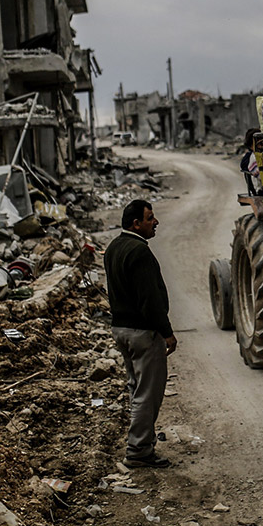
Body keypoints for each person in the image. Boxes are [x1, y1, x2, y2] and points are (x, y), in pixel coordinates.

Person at [105, 199, 177, 468]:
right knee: (148, 393)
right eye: (150, 218)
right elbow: (150, 300)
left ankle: (139, 444)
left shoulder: (114, 247)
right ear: (136, 223)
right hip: (142, 334)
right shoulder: (139, 252)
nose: (155, 222)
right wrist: (167, 332)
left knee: (137, 389)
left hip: (121, 330)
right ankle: (139, 451)